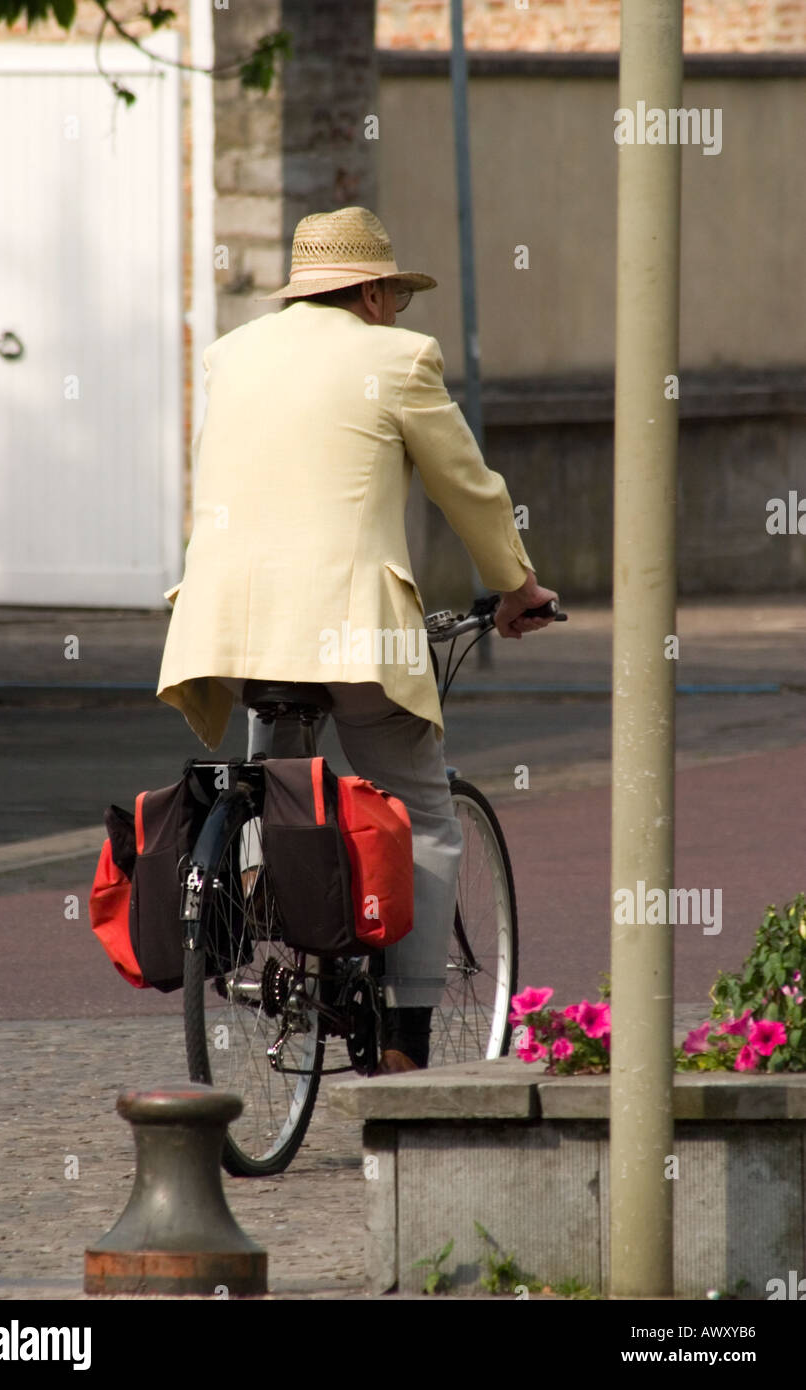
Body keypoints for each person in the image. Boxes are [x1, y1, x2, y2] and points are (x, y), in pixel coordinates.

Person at [157, 206, 558, 1073]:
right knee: (422, 817)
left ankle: (266, 897)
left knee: (282, 789)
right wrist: (516, 585)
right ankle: (405, 1044)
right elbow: (470, 490)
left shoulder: (232, 355)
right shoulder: (397, 358)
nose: (398, 315)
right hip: (352, 634)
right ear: (372, 292)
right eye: (394, 299)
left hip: (235, 626)